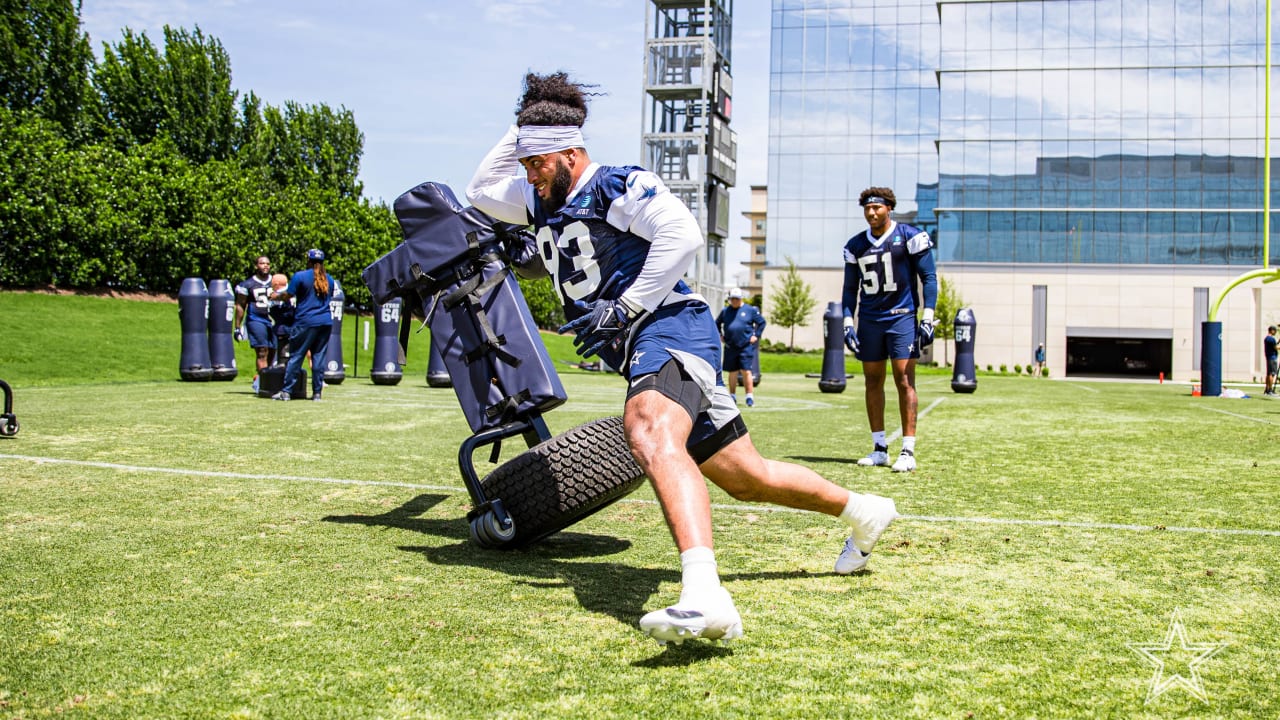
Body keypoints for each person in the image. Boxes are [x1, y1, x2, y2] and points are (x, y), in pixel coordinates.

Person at [465, 72, 898, 646]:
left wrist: (624, 308)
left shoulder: (615, 184)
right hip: (643, 340)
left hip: (670, 325)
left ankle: (705, 594)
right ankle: (863, 512)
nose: (527, 175)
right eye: (525, 163)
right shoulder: (538, 193)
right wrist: (525, 120)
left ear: (570, 152)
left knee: (646, 426)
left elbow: (683, 235)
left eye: (537, 161)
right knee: (747, 477)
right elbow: (479, 189)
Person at [842, 187, 938, 473]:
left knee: (904, 379)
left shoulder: (909, 236)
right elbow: (849, 289)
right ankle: (880, 447)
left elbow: (929, 277)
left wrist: (928, 316)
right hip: (870, 319)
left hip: (901, 317)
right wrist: (848, 321)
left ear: (889, 208)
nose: (872, 213)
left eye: (877, 208)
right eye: (868, 209)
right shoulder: (855, 245)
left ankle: (908, 449)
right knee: (872, 381)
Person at [270, 249, 333, 402]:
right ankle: (317, 393)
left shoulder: (300, 276)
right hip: (325, 321)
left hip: (305, 321)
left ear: (309, 260)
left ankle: (286, 391)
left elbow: (288, 295)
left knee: (296, 356)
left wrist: (276, 296)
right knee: (318, 358)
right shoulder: (329, 279)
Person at [716, 287, 766, 406]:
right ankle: (732, 396)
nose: (734, 301)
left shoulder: (750, 310)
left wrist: (756, 335)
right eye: (732, 299)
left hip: (745, 346)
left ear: (741, 299)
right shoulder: (725, 311)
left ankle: (749, 397)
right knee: (732, 372)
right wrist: (720, 336)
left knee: (746, 371)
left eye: (736, 299)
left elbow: (762, 322)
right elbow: (716, 323)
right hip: (730, 346)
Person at [233, 256, 276, 382]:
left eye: (267, 263)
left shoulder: (276, 282)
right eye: (262, 263)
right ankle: (263, 382)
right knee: (262, 350)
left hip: (273, 319)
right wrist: (237, 327)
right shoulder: (248, 284)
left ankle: (268, 378)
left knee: (273, 351)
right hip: (256, 318)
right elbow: (240, 305)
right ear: (256, 265)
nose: (265, 266)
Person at [268, 273, 295, 366]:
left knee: (283, 356)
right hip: (295, 328)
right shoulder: (293, 292)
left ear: (276, 284)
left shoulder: (279, 295)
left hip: (283, 328)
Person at [1265, 325, 1278, 396]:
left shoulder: (1267, 338)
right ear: (1272, 331)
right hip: (1272, 358)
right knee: (1271, 374)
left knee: (1268, 374)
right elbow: (1275, 347)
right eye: (1275, 331)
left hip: (1269, 357)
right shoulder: (1271, 339)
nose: (1275, 332)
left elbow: (1274, 346)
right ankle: (1270, 390)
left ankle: (1267, 389)